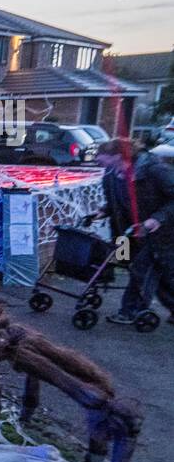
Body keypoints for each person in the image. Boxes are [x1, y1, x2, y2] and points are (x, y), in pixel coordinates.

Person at [93, 137, 174, 325]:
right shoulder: (111, 175)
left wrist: (158, 218)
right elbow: (117, 203)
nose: (98, 161)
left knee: (142, 269)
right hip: (127, 234)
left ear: (117, 156)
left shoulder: (154, 169)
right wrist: (103, 211)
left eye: (102, 157)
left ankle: (130, 311)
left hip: (161, 232)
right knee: (153, 271)